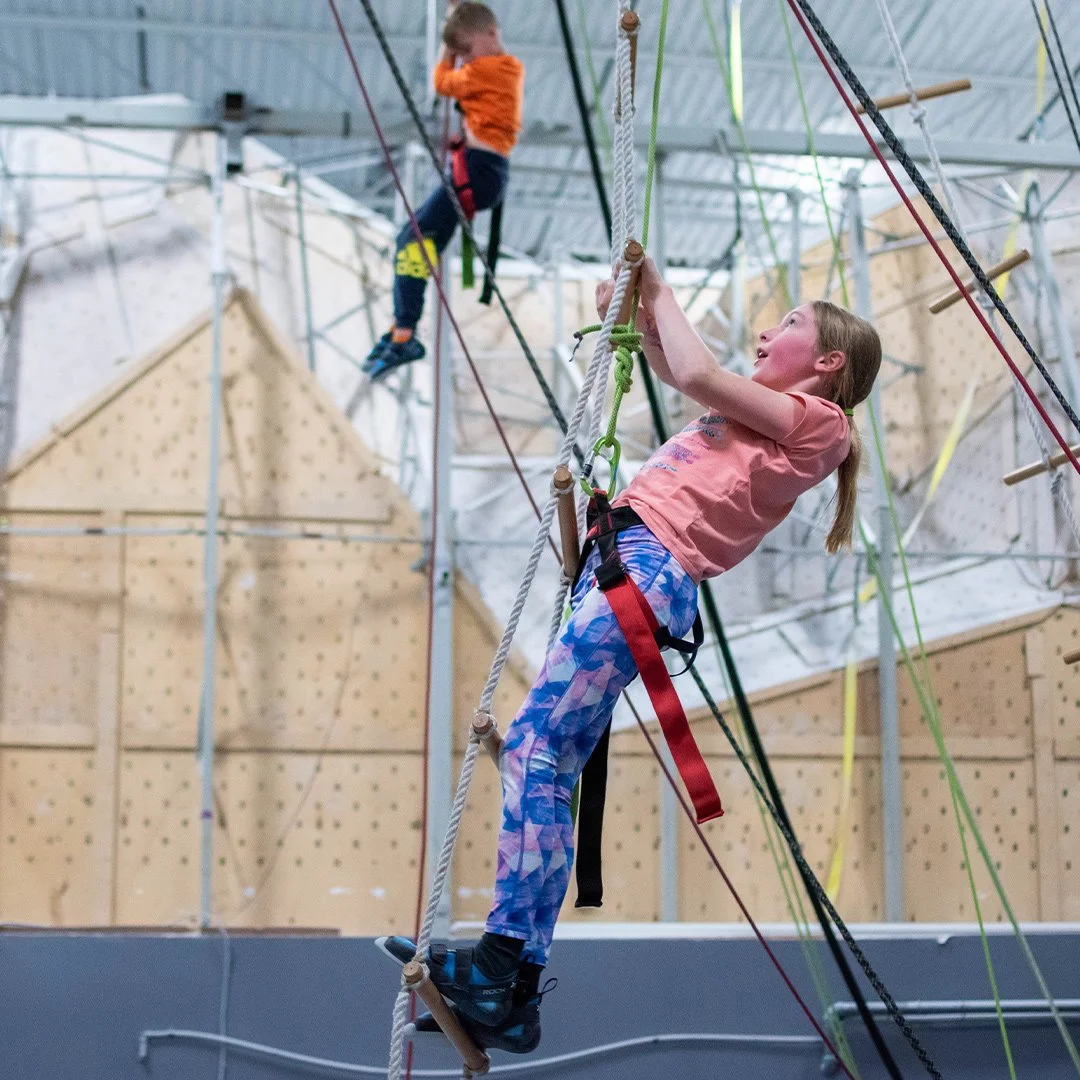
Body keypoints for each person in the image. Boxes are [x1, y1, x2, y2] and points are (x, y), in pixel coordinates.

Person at [378, 256, 882, 1052]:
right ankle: (511, 981)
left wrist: (662, 292)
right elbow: (666, 356)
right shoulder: (767, 417)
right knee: (546, 764)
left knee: (535, 758)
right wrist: (633, 313)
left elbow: (692, 369)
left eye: (787, 326)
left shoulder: (823, 424)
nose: (764, 331)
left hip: (641, 577)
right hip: (626, 572)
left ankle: (503, 967)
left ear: (829, 364)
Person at [363, 2, 524, 382]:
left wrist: (448, 50)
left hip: (480, 172)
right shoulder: (502, 67)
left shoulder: (483, 70)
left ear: (491, 34)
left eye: (466, 50)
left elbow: (440, 82)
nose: (463, 59)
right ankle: (402, 327)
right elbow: (472, 32)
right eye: (460, 53)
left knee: (411, 238)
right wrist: (458, 14)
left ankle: (404, 331)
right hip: (482, 172)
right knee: (421, 241)